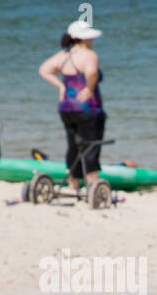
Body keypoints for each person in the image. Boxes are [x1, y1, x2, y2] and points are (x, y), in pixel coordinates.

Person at [38, 20, 106, 195]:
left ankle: (73, 182)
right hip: (89, 108)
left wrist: (61, 86)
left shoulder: (63, 55)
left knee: (73, 145)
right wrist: (89, 88)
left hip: (66, 108)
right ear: (83, 38)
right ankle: (92, 181)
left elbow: (44, 70)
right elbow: (91, 72)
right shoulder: (89, 55)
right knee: (91, 144)